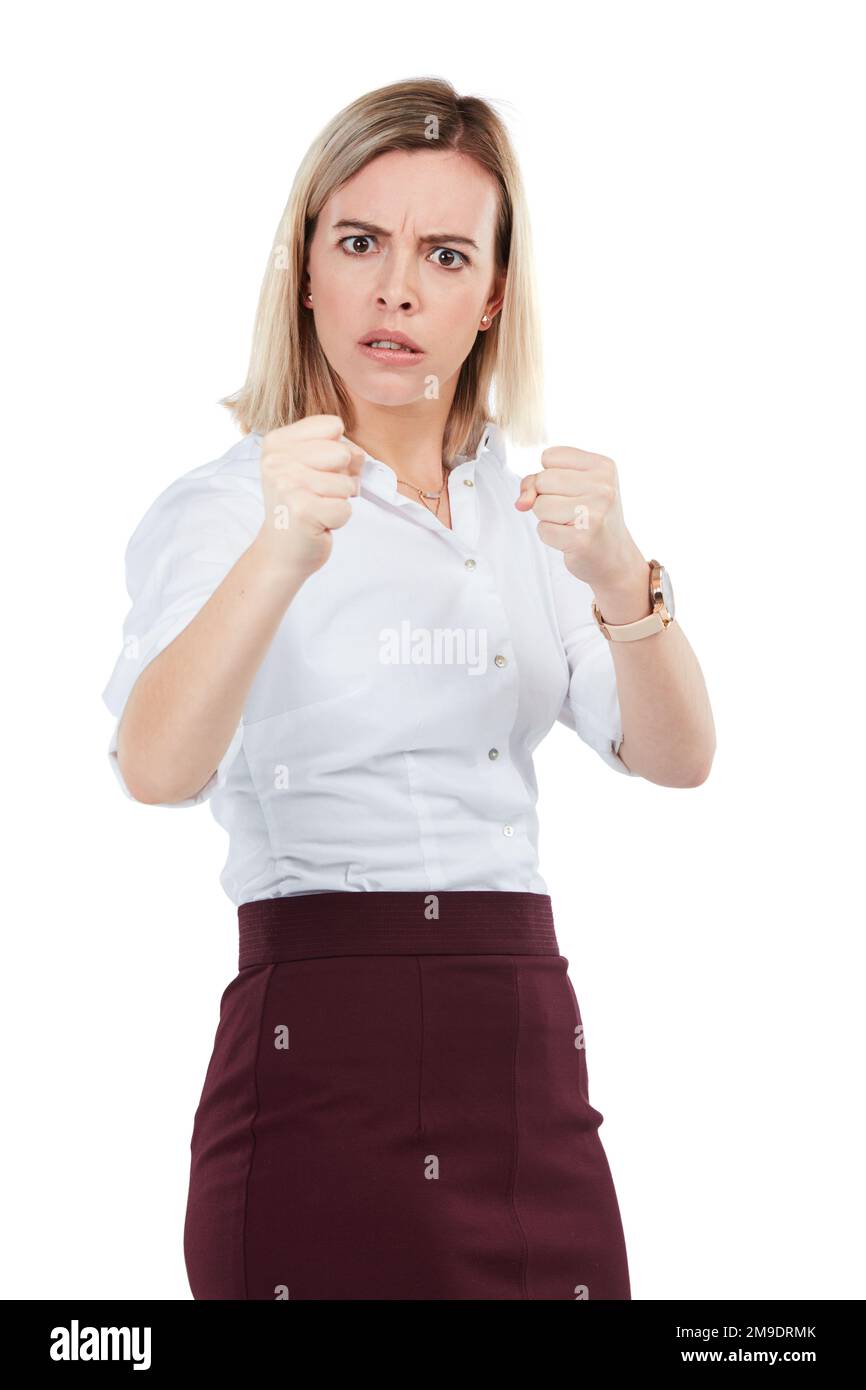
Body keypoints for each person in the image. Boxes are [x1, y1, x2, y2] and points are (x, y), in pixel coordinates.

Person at [102, 77, 715, 1301]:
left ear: (490, 296)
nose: (396, 290)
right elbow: (154, 770)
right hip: (322, 1048)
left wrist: (618, 575)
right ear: (306, 269)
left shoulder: (531, 509)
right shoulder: (223, 508)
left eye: (442, 255)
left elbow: (676, 755)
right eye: (360, 242)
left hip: (527, 1046)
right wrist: (282, 547)